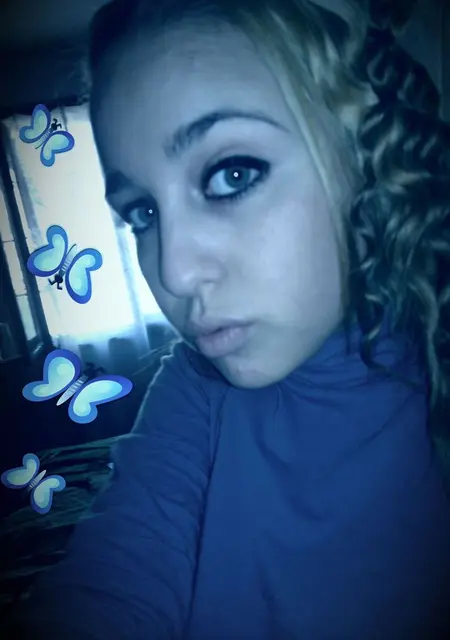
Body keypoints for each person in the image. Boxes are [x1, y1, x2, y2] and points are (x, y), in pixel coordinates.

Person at [11, 0, 450, 637]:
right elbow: (115, 574)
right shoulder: (197, 384)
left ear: (366, 159)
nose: (173, 273)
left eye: (231, 174)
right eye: (143, 213)